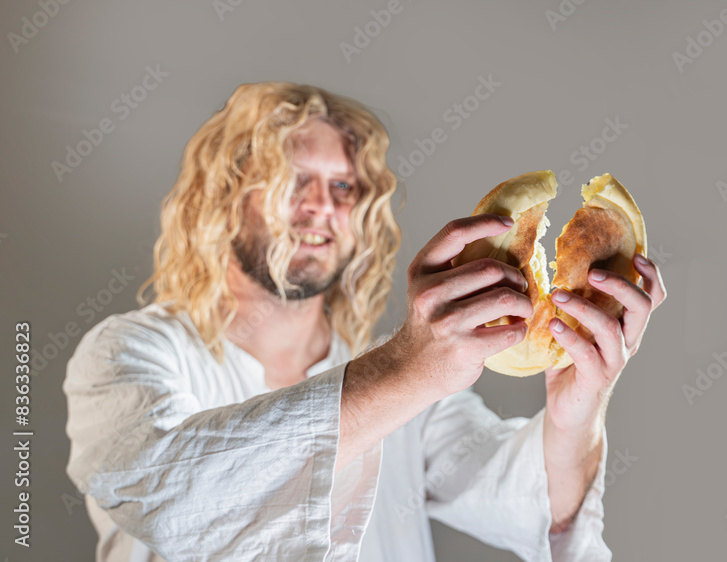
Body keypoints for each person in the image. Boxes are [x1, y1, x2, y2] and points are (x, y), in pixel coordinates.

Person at [63, 82, 665, 561]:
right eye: (291, 178)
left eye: (343, 186)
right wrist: (411, 367)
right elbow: (178, 507)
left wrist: (574, 412)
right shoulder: (126, 354)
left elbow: (539, 511)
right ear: (222, 197)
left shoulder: (402, 373)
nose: (321, 205)